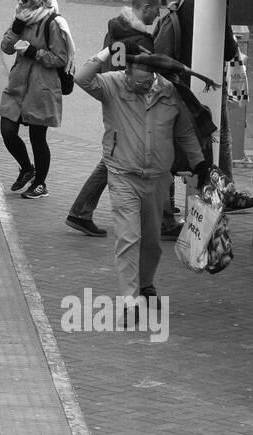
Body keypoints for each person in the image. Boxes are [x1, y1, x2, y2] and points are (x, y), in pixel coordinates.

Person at [75, 47, 208, 313]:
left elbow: (183, 133)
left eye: (146, 83)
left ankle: (145, 284)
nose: (140, 87)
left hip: (158, 178)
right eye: (136, 82)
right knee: (128, 237)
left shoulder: (170, 91)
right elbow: (81, 78)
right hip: (123, 174)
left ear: (155, 77)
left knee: (151, 240)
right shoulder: (113, 84)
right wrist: (105, 53)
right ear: (126, 72)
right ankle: (129, 300)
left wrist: (200, 163)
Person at [66, 0, 163, 237]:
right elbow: (125, 72)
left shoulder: (116, 28)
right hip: (128, 101)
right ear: (145, 8)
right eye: (157, 8)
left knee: (115, 154)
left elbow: (108, 64)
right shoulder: (136, 37)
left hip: (113, 94)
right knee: (115, 157)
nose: (159, 15)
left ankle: (81, 211)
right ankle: (81, 211)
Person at [154, 0, 253, 214]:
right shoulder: (219, 2)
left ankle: (167, 203)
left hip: (180, 78)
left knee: (172, 136)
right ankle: (223, 191)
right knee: (218, 135)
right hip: (207, 81)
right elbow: (229, 50)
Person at [0, 0, 72, 200]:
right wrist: (16, 29)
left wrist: (33, 52)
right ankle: (26, 168)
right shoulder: (20, 19)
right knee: (7, 130)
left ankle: (40, 183)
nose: (21, 3)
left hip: (42, 87)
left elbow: (61, 58)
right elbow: (6, 47)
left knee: (37, 138)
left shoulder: (52, 22)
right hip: (18, 85)